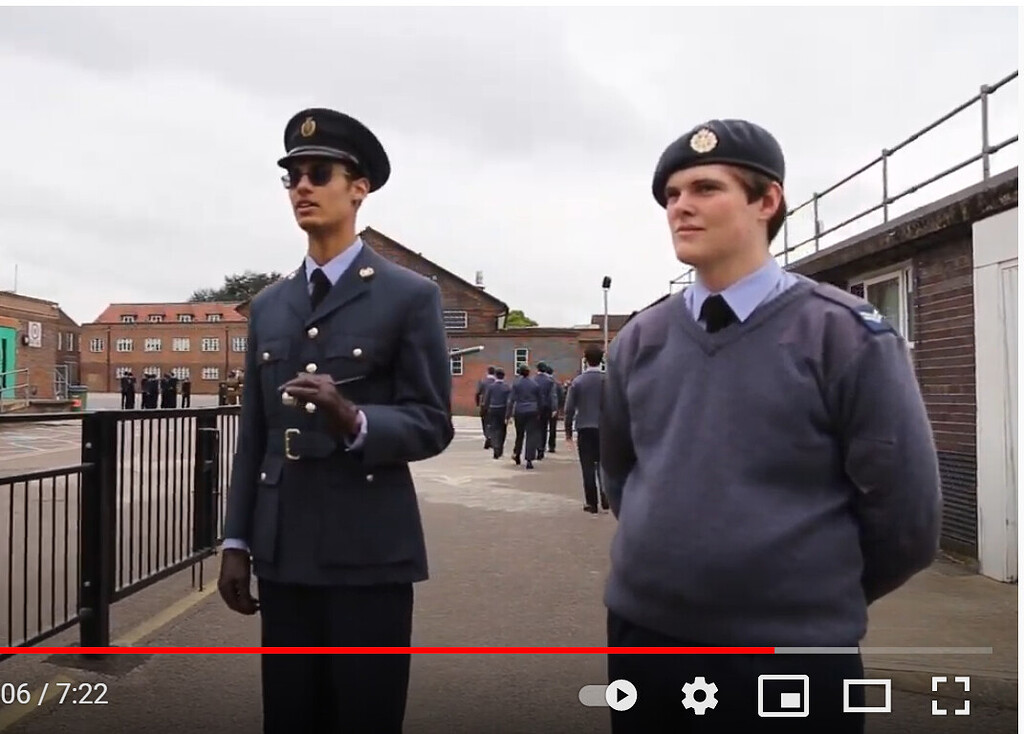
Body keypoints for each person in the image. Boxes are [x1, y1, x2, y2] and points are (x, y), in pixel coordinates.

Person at [599, 119, 941, 732]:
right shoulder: (640, 340)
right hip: (646, 638)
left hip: (790, 652)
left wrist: (807, 591)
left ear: (766, 201)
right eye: (672, 195)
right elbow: (622, 474)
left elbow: (907, 517)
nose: (680, 207)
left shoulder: (844, 334)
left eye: (706, 188)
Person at [218, 107, 454, 734]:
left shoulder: (409, 296)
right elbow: (253, 439)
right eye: (291, 176)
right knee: (289, 714)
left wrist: (352, 418)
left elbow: (432, 421)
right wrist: (236, 542)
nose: (302, 187)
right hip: (284, 550)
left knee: (365, 714)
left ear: (359, 188)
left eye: (318, 173)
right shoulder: (270, 305)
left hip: (368, 550)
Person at [564, 346, 607, 513]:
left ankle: (592, 502)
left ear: (585, 360)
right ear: (601, 360)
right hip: (605, 428)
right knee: (604, 463)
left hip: (584, 427)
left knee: (587, 466)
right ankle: (606, 494)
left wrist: (568, 433)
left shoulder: (578, 382)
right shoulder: (608, 380)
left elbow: (569, 409)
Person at [506, 364, 541, 469]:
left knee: (519, 434)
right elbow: (539, 399)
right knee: (531, 435)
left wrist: (508, 415)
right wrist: (539, 412)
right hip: (532, 410)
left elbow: (511, 400)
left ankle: (517, 453)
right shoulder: (534, 384)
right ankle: (529, 459)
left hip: (520, 411)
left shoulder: (516, 384)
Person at [482, 368, 511, 459]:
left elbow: (487, 399)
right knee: (502, 430)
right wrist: (509, 414)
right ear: (503, 376)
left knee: (494, 429)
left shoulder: (491, 387)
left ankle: (495, 447)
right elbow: (509, 401)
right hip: (502, 409)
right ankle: (500, 448)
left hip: (493, 409)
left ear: (496, 376)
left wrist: (485, 409)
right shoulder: (507, 387)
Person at [532, 361, 558, 459]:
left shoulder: (533, 380)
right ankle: (541, 449)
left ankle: (537, 447)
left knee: (537, 428)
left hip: (536, 407)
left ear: (537, 369)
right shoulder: (550, 381)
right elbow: (553, 395)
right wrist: (554, 408)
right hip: (546, 407)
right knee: (544, 428)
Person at [475, 365, 497, 449]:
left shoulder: (483, 382)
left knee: (485, 422)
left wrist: (477, 403)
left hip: (484, 405)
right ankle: (492, 437)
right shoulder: (496, 382)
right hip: (494, 405)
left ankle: (488, 436)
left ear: (487, 372)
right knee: (494, 423)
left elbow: (477, 393)